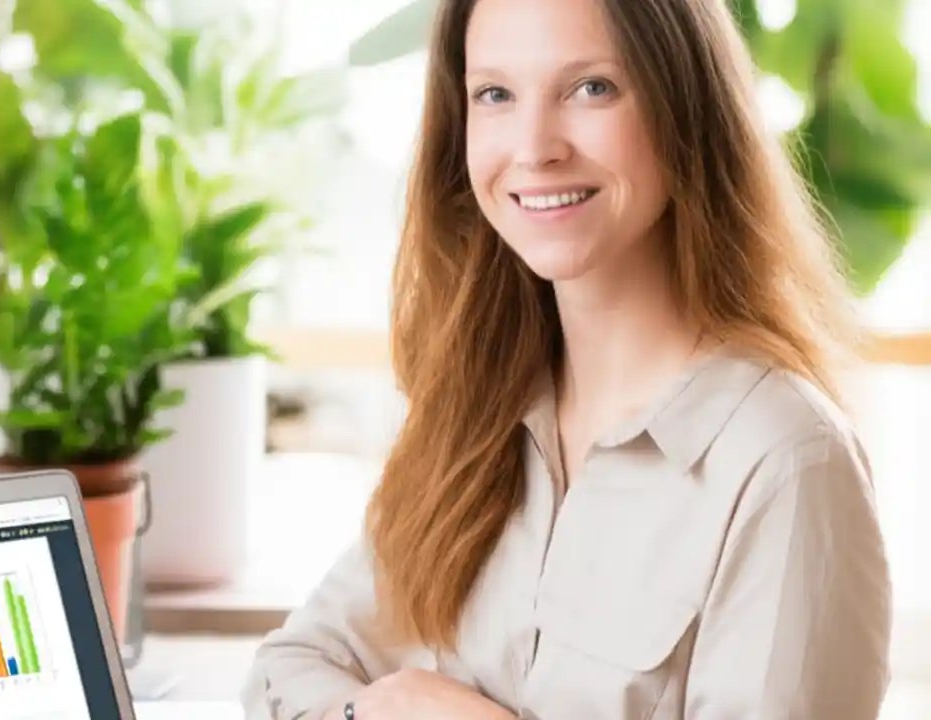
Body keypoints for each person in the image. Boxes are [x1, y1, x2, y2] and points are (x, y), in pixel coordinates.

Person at [241, 0, 893, 717]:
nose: (534, 146)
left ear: (687, 108)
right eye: (495, 94)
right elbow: (290, 671)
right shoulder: (480, 411)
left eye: (592, 88)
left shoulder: (783, 463)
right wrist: (373, 710)